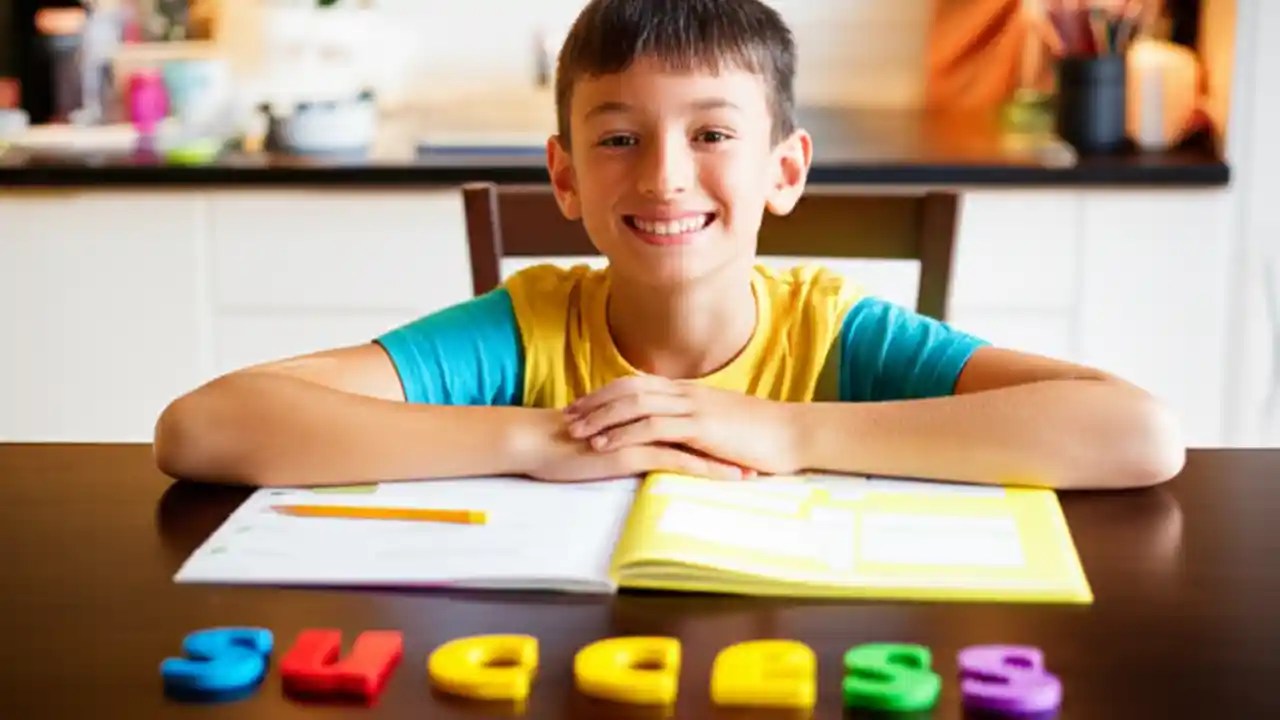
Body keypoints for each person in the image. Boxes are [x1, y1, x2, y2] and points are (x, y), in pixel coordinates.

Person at [153, 0, 1184, 490]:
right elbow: (203, 428)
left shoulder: (837, 336)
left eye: (711, 133)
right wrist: (538, 441)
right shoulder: (520, 333)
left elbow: (1135, 436)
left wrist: (784, 431)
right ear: (563, 176)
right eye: (617, 138)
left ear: (784, 170)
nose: (662, 176)